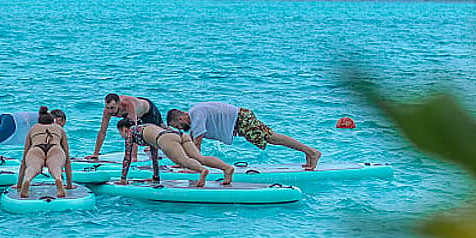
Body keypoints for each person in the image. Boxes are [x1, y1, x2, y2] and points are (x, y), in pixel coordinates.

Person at [166, 102, 321, 170]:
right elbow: (190, 145)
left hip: (241, 119)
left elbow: (197, 145)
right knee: (271, 138)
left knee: (271, 137)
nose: (180, 129)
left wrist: (194, 168)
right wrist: (182, 163)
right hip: (239, 119)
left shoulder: (196, 114)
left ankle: (311, 152)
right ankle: (308, 152)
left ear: (181, 118)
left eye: (178, 126)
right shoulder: (195, 116)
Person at [115, 118, 234, 187]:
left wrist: (123, 179)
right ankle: (227, 168)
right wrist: (156, 177)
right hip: (179, 135)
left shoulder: (130, 132)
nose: (121, 135)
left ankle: (202, 171)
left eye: (120, 133)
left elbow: (127, 158)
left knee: (184, 161)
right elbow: (154, 155)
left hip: (166, 139)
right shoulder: (145, 127)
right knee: (200, 157)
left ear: (124, 129)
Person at [15, 108, 74, 198]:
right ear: (52, 120)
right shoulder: (59, 128)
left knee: (32, 167)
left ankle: (27, 179)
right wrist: (69, 185)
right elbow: (67, 160)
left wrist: (18, 185)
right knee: (56, 167)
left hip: (37, 148)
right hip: (54, 147)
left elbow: (24, 161)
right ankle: (58, 179)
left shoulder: (33, 128)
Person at [88, 93, 163, 160]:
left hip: (149, 112)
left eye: (112, 108)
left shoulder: (128, 105)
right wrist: (96, 154)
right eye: (107, 108)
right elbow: (102, 131)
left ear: (118, 104)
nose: (110, 111)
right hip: (137, 114)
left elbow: (134, 131)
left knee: (161, 131)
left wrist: (134, 157)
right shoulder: (107, 111)